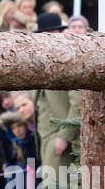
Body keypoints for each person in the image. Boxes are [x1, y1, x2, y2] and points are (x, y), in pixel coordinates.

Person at [32, 12, 81, 175]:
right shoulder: (42, 60)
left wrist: (65, 136)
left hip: (58, 136)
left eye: (52, 33)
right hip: (44, 136)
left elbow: (77, 103)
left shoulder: (67, 61)